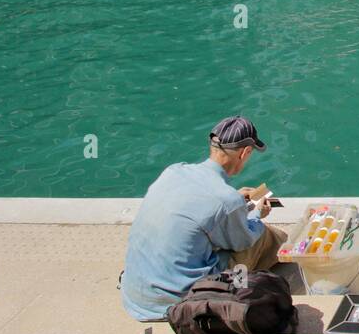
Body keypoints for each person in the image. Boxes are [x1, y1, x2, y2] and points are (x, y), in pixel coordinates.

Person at [120, 116, 285, 321]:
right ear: (245, 152)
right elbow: (244, 240)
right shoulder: (226, 200)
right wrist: (257, 214)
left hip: (135, 298)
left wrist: (234, 201)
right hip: (182, 303)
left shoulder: (173, 171)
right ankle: (284, 264)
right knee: (264, 235)